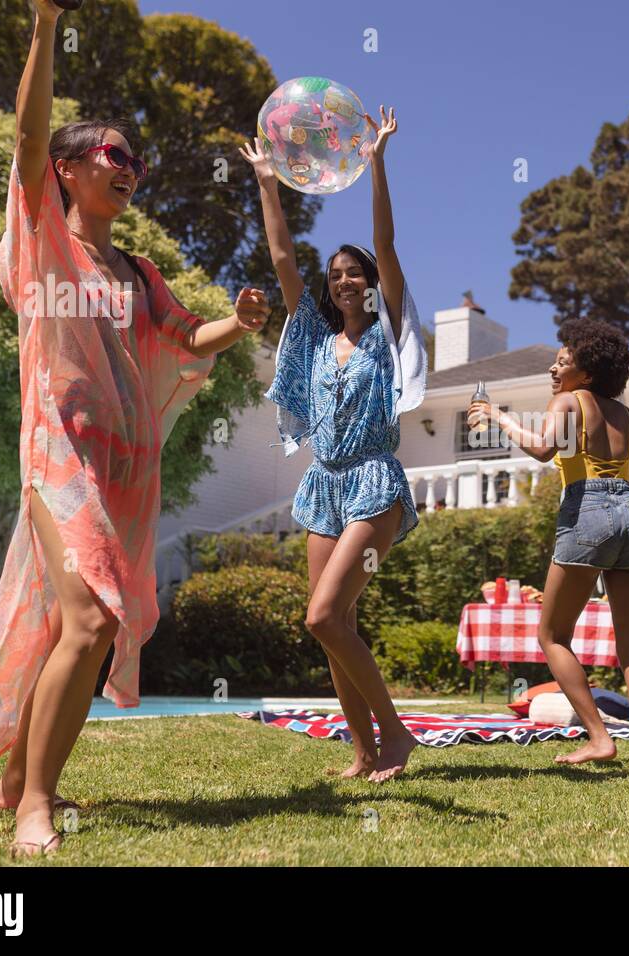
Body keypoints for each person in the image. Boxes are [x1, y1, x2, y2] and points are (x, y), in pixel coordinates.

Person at [0, 0, 269, 856]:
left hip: (129, 473)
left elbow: (182, 339)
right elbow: (23, 142)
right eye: (113, 155)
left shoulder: (137, 270)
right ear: (65, 170)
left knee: (74, 634)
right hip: (61, 461)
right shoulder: (41, 238)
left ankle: (20, 778)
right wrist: (45, 26)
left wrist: (236, 324)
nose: (130, 167)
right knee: (87, 625)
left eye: (137, 159)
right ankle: (33, 807)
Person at [242, 103, 427, 784]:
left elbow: (387, 245)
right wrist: (267, 180)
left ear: (370, 284)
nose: (346, 278)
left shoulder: (387, 331)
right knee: (333, 627)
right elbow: (284, 256)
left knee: (322, 616)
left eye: (356, 272)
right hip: (325, 482)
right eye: (337, 274)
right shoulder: (316, 338)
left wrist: (376, 161)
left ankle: (398, 736)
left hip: (375, 480)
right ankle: (363, 751)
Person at [469, 319, 629, 770]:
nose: (554, 370)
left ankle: (599, 738)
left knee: (552, 635)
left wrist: (496, 416)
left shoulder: (568, 401)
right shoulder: (626, 417)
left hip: (587, 510)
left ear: (587, 371)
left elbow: (542, 449)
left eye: (564, 361)